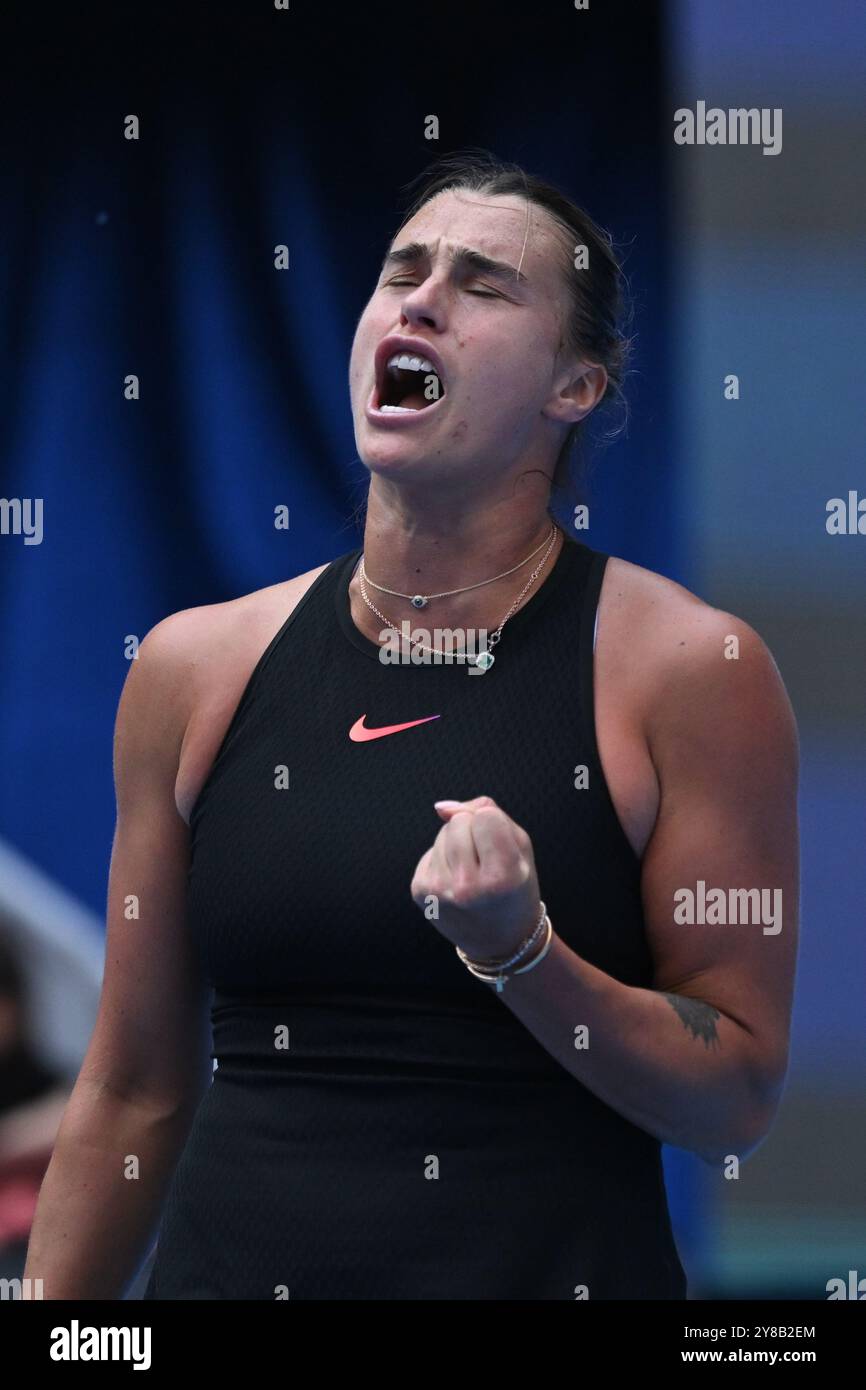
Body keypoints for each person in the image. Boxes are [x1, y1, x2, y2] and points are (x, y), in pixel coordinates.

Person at [24, 151, 799, 1300]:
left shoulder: (689, 668)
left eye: (483, 286)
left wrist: (522, 954)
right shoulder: (195, 666)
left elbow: (729, 1097)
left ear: (573, 386)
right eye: (402, 271)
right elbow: (131, 1090)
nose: (421, 299)